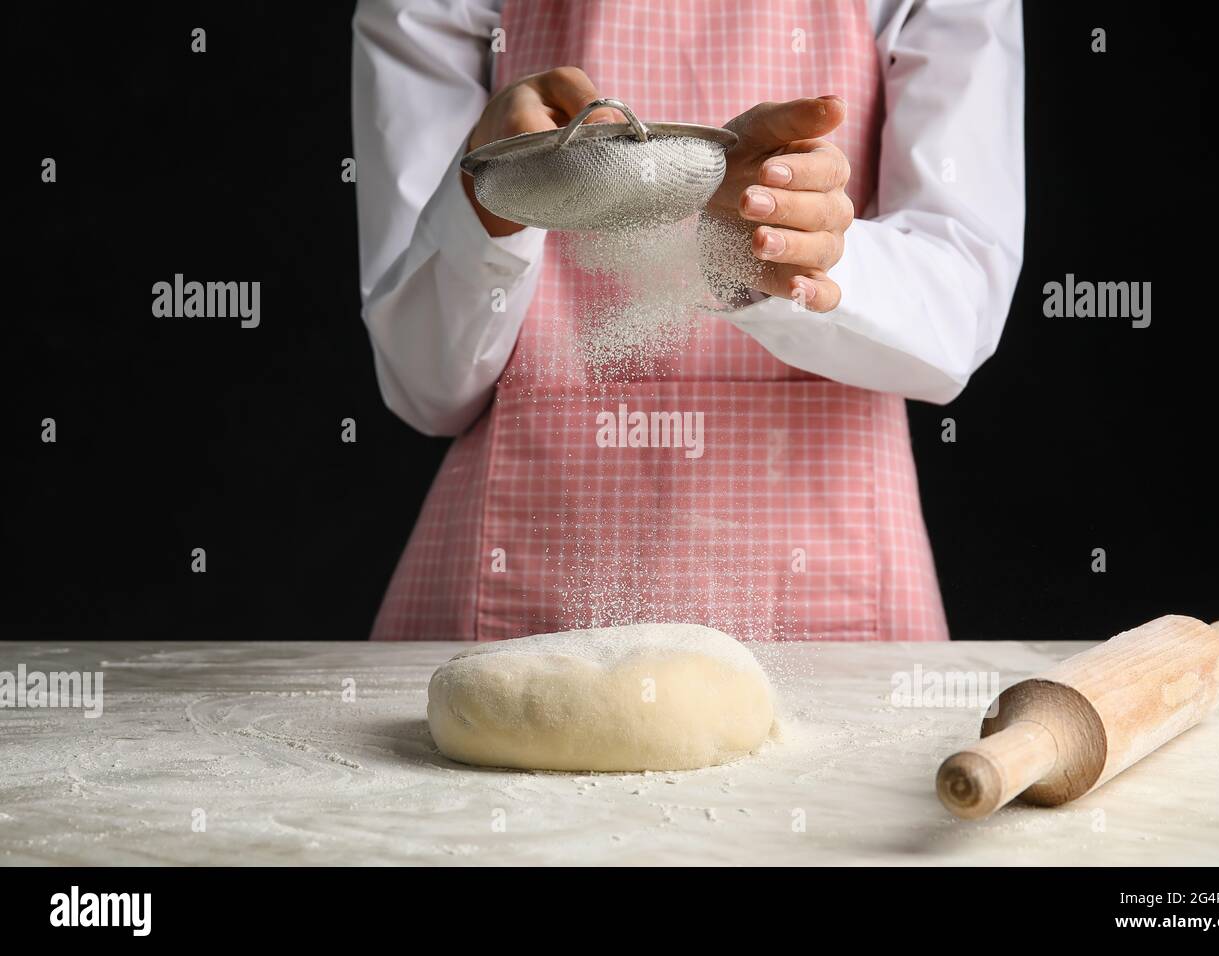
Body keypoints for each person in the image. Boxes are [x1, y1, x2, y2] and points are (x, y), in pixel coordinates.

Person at [352, 0, 1024, 642]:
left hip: (826, 566)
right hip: (526, 572)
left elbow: (956, 317)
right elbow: (424, 386)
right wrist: (493, 191)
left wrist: (771, 252)